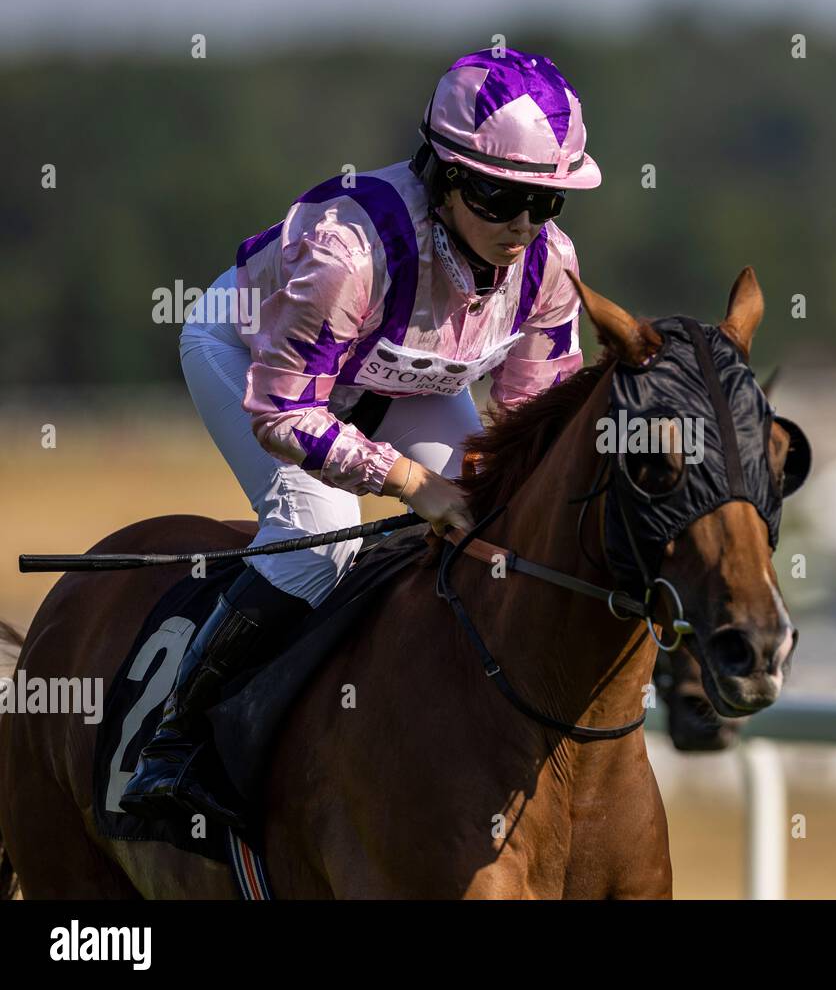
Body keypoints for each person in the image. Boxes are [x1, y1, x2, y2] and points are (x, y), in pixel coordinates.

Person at [121, 48, 601, 824]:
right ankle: (173, 741)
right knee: (319, 537)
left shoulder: (550, 267)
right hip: (252, 359)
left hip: (399, 378)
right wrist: (408, 482)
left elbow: (532, 427)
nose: (522, 225)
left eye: (546, 202)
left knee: (496, 520)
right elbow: (285, 414)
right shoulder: (349, 250)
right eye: (500, 196)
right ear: (444, 175)